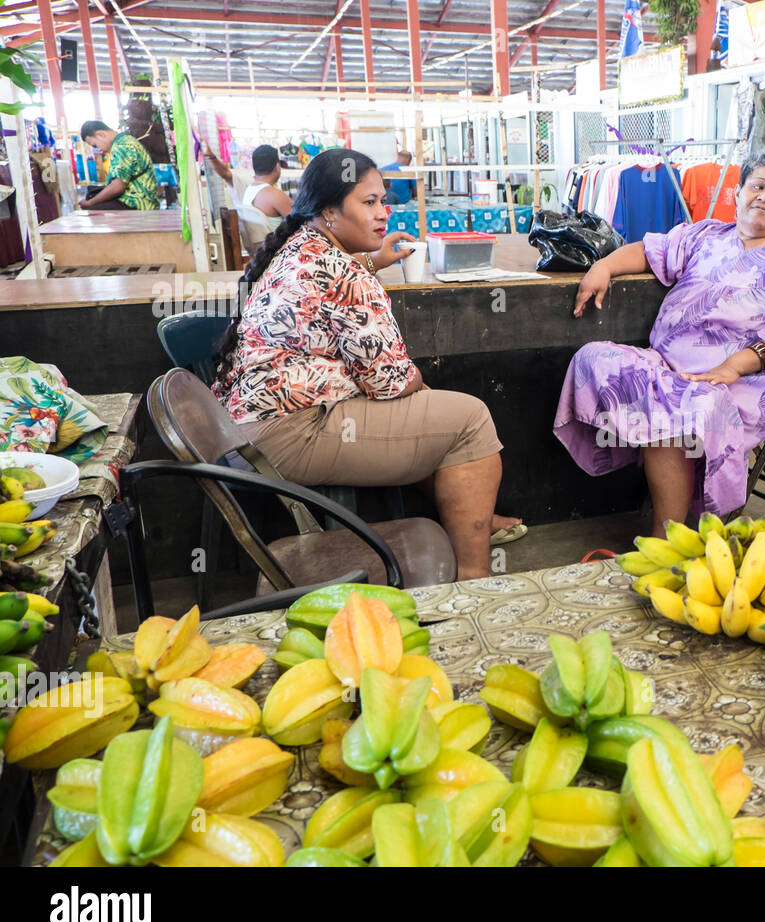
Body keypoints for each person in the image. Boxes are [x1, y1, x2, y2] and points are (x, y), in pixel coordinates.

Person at [212, 148, 524, 580]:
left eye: (383, 200)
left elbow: (331, 292)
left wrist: (374, 261)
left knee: (433, 414)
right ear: (330, 212)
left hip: (245, 432)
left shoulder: (300, 246)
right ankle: (472, 576)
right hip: (286, 436)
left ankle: (473, 516)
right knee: (469, 419)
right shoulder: (347, 277)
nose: (384, 213)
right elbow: (391, 382)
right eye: (369, 202)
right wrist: (415, 378)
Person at [554, 148, 765, 530]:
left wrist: (732, 367)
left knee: (682, 413)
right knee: (594, 358)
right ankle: (671, 519)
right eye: (757, 185)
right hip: (669, 366)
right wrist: (603, 267)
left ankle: (668, 539)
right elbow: (649, 250)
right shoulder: (706, 234)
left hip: (743, 382)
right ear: (737, 192)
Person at [78, 120, 160, 211]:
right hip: (140, 201)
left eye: (95, 145)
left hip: (136, 203)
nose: (99, 150)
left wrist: (90, 203)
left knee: (93, 212)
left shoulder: (121, 146)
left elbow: (117, 187)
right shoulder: (125, 141)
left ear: (101, 134)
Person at [206, 143, 293, 223]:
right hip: (275, 240)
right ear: (277, 166)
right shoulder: (277, 196)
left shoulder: (248, 191)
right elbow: (300, 225)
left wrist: (211, 157)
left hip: (256, 240)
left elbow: (226, 174)